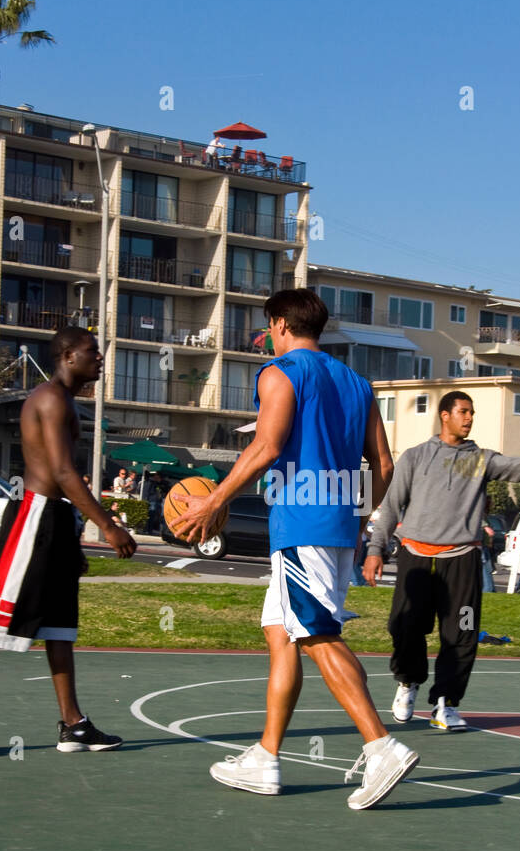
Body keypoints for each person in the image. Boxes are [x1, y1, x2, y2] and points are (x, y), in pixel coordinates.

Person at [169, 287, 419, 810]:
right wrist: (355, 517)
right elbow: (385, 466)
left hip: (301, 526)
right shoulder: (357, 382)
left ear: (281, 324)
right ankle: (266, 757)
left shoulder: (280, 372)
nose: (268, 338)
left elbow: (267, 445)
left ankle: (381, 745)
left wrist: (215, 499)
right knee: (281, 633)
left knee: (316, 635)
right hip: (332, 524)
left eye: (268, 329)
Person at [0, 327, 136, 757]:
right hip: (33, 517)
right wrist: (108, 525)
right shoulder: (48, 398)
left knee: (60, 627)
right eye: (92, 352)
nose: (99, 359)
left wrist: (73, 541)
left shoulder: (66, 400)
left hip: (56, 520)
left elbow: (65, 480)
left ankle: (73, 724)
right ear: (67, 356)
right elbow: (63, 473)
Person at [364, 392, 520, 730]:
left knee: (462, 630)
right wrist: (375, 550)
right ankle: (408, 683)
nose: (469, 418)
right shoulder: (416, 457)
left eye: (472, 412)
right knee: (405, 627)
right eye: (463, 411)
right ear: (445, 415)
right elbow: (391, 505)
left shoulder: (480, 459)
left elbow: (516, 468)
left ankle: (445, 702)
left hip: (462, 559)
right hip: (416, 558)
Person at [481, 496, 496, 594]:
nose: (491, 504)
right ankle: (488, 589)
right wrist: (486, 527)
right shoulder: (480, 513)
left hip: (484, 545)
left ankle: (490, 589)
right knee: (486, 568)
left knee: (488, 568)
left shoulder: (484, 514)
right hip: (480, 545)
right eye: (490, 502)